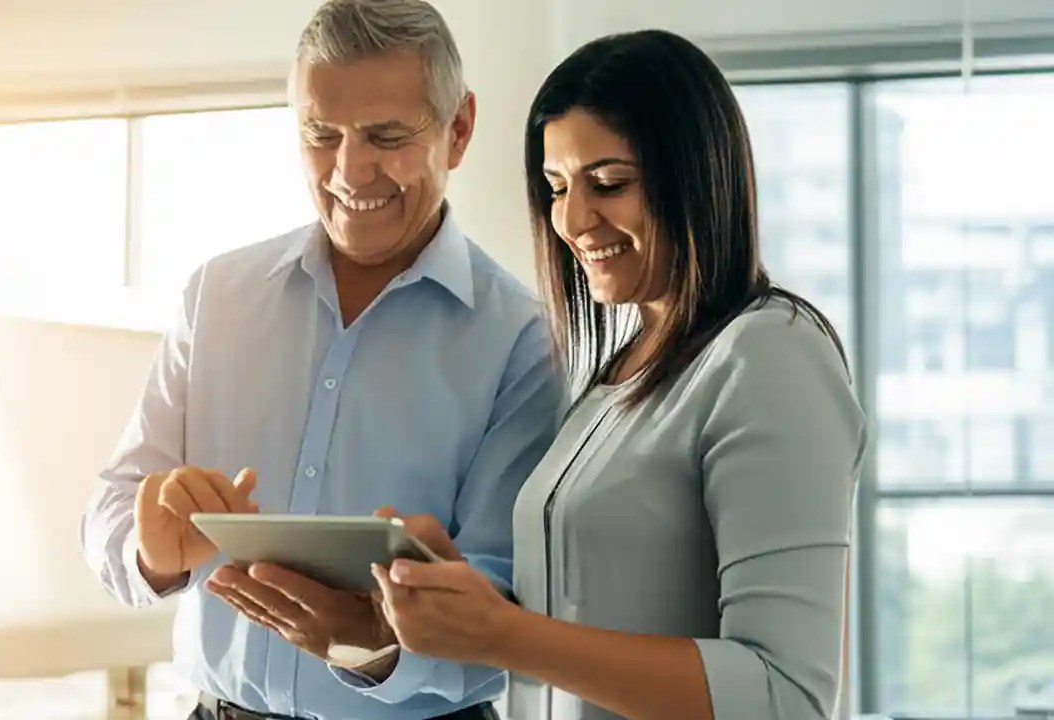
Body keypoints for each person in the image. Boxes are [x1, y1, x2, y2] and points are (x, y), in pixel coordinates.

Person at [80, 1, 564, 719]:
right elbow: (113, 505)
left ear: (458, 129)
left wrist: (371, 643)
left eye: (387, 136)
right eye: (321, 134)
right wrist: (148, 550)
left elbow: (511, 604)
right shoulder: (216, 296)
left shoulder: (523, 342)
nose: (349, 170)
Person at [370, 30, 868, 720]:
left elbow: (784, 693)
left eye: (610, 183)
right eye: (556, 187)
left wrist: (505, 633)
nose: (572, 220)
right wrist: (447, 604)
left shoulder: (771, 355)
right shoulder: (621, 372)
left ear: (696, 174)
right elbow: (572, 626)